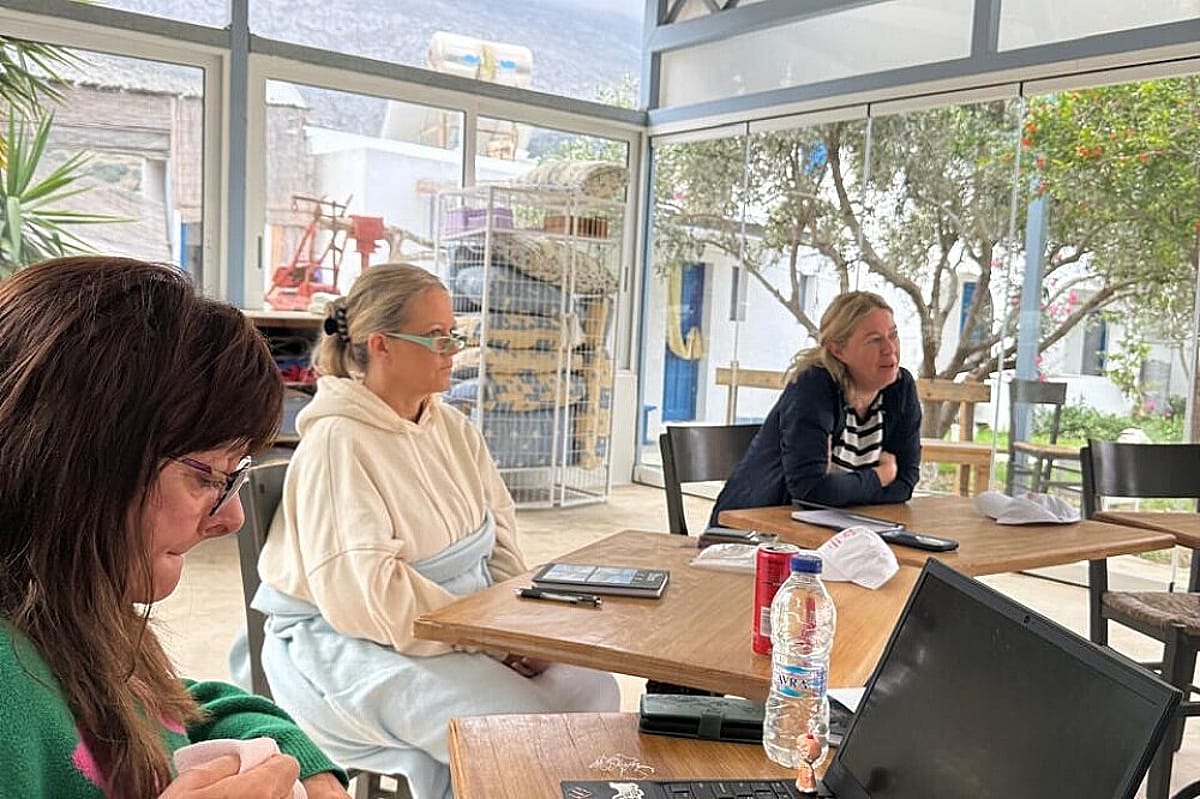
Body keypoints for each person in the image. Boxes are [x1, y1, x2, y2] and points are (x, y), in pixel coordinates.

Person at [243, 263, 619, 799]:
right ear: (382, 345)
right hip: (358, 642)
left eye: (453, 334)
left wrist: (518, 630)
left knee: (592, 688)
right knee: (518, 728)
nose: (453, 349)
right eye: (437, 337)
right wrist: (485, 642)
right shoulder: (339, 443)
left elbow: (501, 541)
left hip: (465, 624)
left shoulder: (454, 428)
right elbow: (366, 597)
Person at [0, 256, 349, 798]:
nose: (232, 518)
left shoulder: (71, 611)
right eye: (207, 477)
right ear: (78, 460)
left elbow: (163, 708)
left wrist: (282, 746)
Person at [711, 290, 921, 521]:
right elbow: (810, 491)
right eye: (874, 340)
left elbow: (905, 484)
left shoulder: (900, 389)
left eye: (893, 335)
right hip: (752, 532)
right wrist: (881, 476)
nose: (890, 349)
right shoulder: (813, 386)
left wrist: (838, 488)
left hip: (838, 530)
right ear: (838, 350)